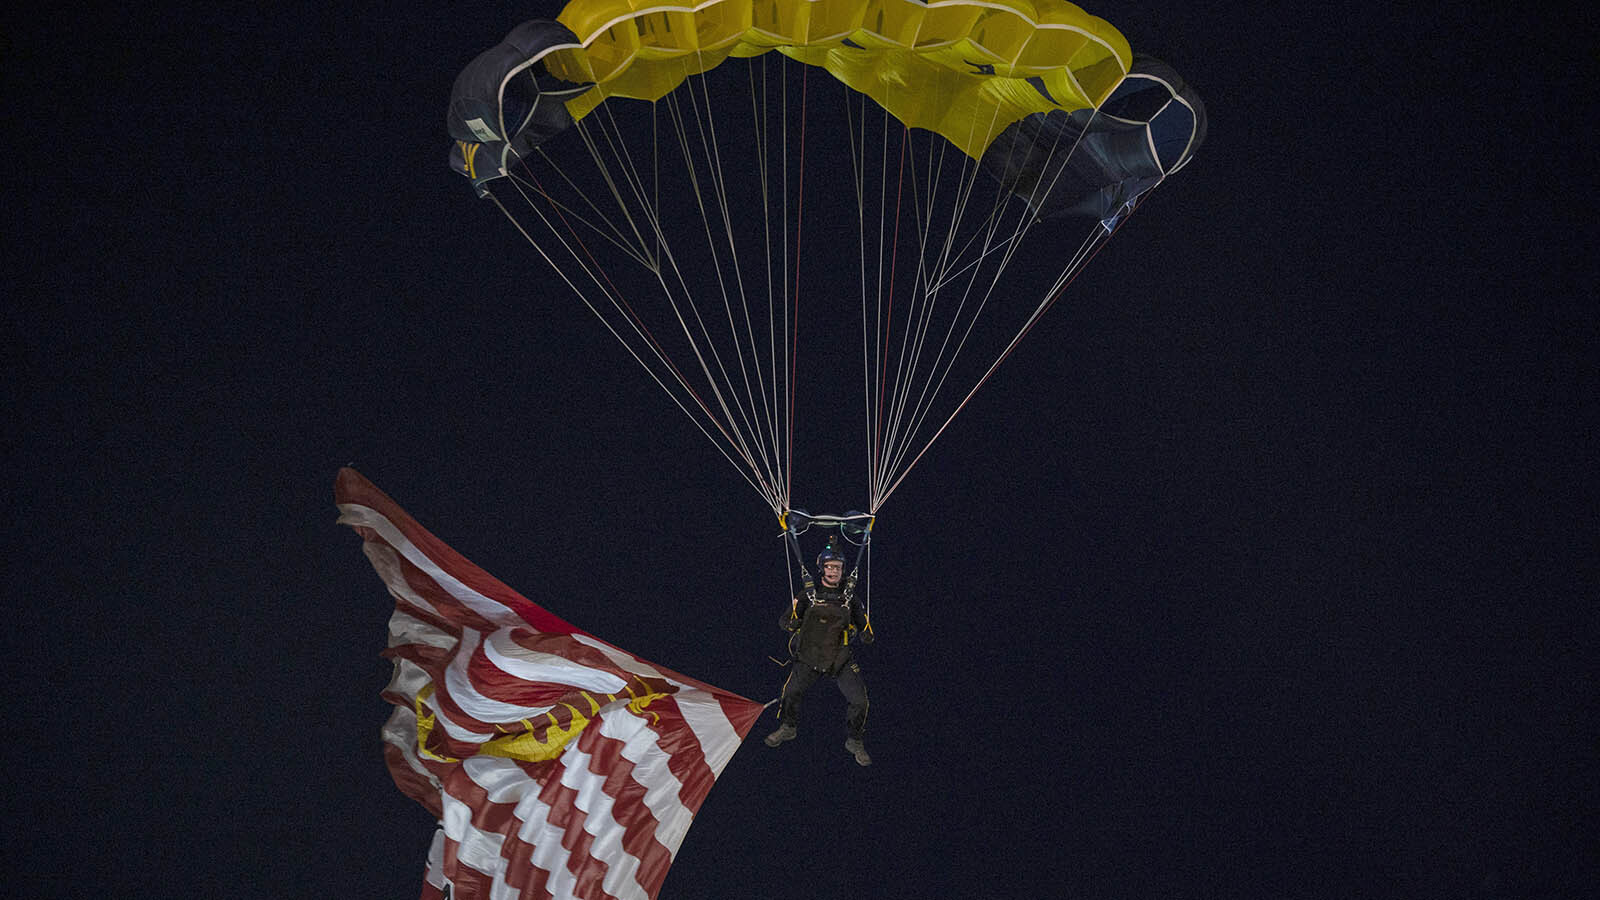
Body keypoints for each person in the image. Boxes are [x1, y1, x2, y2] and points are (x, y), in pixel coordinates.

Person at [764, 543, 875, 765]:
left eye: (838, 567)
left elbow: (865, 627)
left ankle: (854, 740)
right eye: (830, 567)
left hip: (839, 659)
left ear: (843, 571)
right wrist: (793, 622)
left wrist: (866, 633)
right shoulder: (807, 595)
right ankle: (788, 727)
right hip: (810, 657)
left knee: (860, 701)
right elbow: (784, 622)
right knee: (790, 692)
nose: (834, 571)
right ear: (822, 569)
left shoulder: (850, 599)